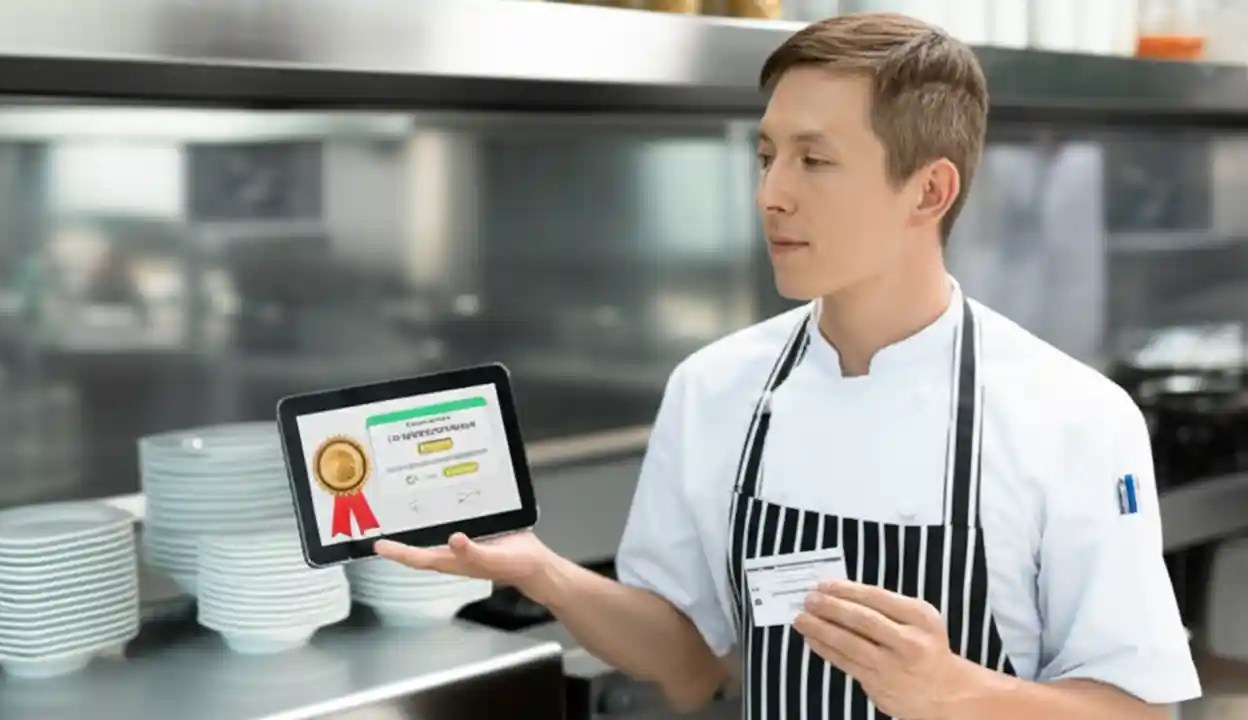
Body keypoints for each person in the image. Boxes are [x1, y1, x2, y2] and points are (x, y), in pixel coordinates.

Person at [376, 12, 1202, 719]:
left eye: (815, 159)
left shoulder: (1073, 418)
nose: (772, 192)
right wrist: (544, 572)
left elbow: (1135, 708)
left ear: (929, 191)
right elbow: (692, 663)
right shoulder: (716, 388)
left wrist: (952, 692)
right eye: (766, 155)